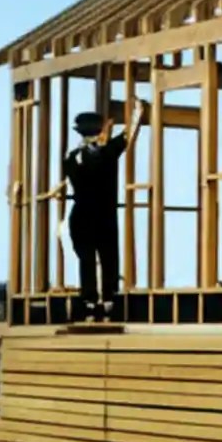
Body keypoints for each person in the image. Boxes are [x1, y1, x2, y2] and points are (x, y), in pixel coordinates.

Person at [49, 102, 144, 321]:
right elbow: (130, 135)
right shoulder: (107, 152)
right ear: (100, 131)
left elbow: (78, 172)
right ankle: (107, 303)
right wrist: (138, 112)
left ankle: (91, 303)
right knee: (108, 258)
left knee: (88, 260)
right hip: (103, 216)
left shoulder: (73, 157)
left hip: (82, 215)